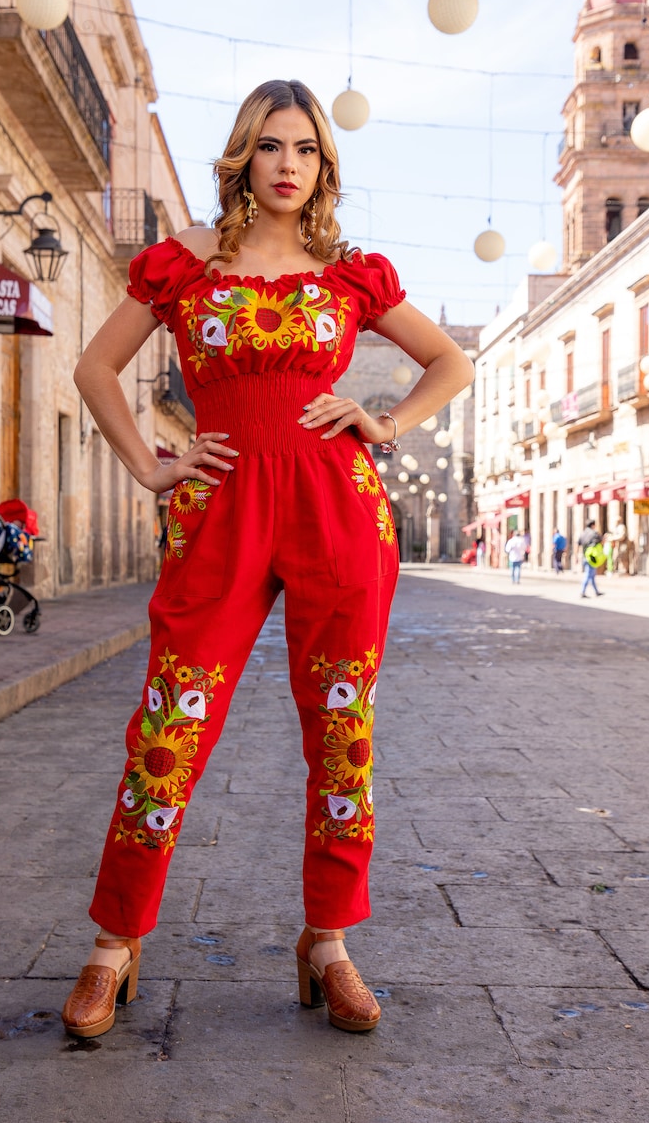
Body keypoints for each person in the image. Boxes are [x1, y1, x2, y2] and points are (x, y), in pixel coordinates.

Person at [63, 79, 473, 1040]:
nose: (290, 165)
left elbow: (451, 363)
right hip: (220, 510)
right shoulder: (183, 265)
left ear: (324, 166)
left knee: (342, 736)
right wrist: (151, 463)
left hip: (339, 510)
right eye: (273, 146)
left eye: (308, 150)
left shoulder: (351, 272)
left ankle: (327, 940)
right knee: (170, 726)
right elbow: (93, 367)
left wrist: (385, 421)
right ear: (244, 154)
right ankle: (114, 944)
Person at [577, 520, 604, 598]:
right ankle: (582, 591)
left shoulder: (582, 534)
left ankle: (596, 591)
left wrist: (576, 556)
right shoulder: (594, 534)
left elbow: (578, 544)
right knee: (588, 574)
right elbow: (601, 541)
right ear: (593, 525)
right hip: (592, 557)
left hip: (585, 556)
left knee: (592, 575)